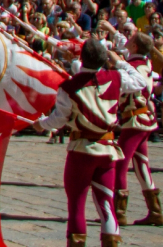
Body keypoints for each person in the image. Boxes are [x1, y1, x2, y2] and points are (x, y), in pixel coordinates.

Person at [35, 37, 149, 247]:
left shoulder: (69, 87)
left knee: (77, 205)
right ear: (104, 58)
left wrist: (41, 125)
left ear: (82, 57)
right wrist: (120, 62)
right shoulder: (116, 77)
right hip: (107, 151)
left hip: (82, 151)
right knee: (106, 205)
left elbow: (59, 119)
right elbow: (140, 81)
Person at [113, 32, 163, 226]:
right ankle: (155, 210)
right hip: (142, 119)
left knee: (120, 164)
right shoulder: (145, 63)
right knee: (141, 164)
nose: (127, 41)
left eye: (131, 40)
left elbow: (131, 87)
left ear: (134, 47)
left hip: (135, 120)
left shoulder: (135, 67)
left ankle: (119, 211)